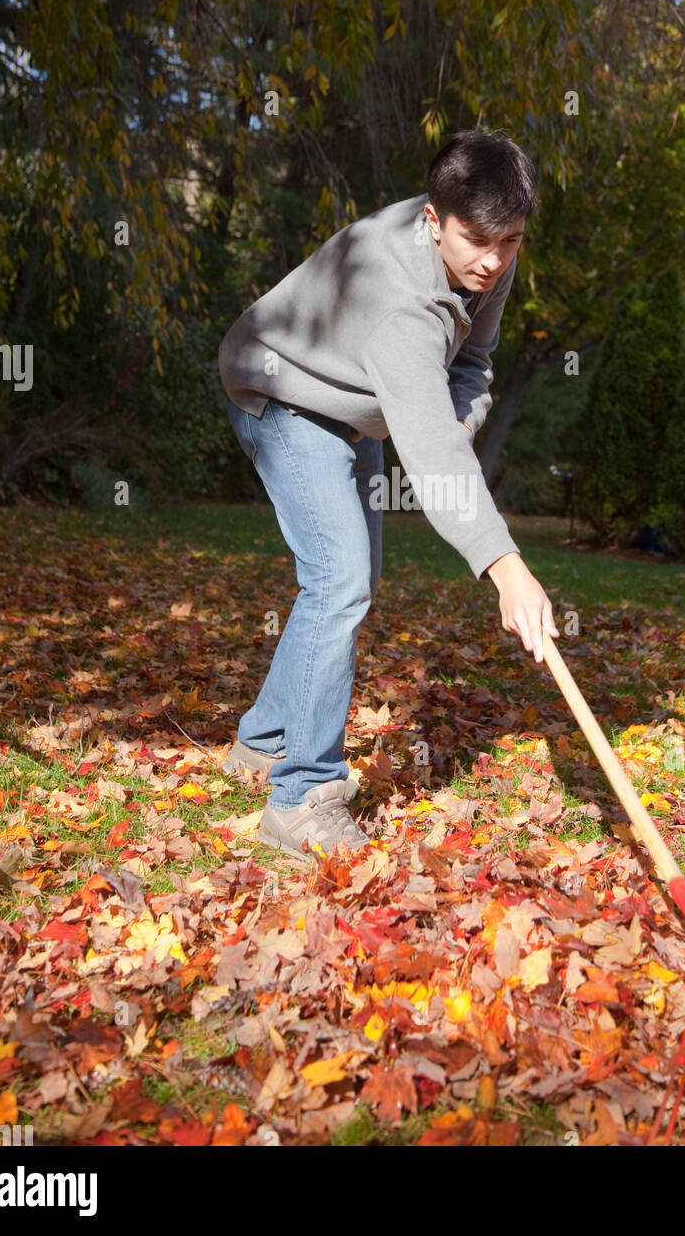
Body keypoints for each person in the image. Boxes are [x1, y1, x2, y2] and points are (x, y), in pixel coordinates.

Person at [218, 128, 559, 862]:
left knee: (352, 580)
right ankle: (302, 798)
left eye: (512, 241)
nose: (494, 260)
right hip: (282, 393)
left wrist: (446, 423)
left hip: (352, 399)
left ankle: (262, 739)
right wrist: (506, 567)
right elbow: (429, 451)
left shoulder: (483, 257)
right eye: (477, 241)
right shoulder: (396, 302)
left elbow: (470, 368)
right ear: (433, 221)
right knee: (337, 580)